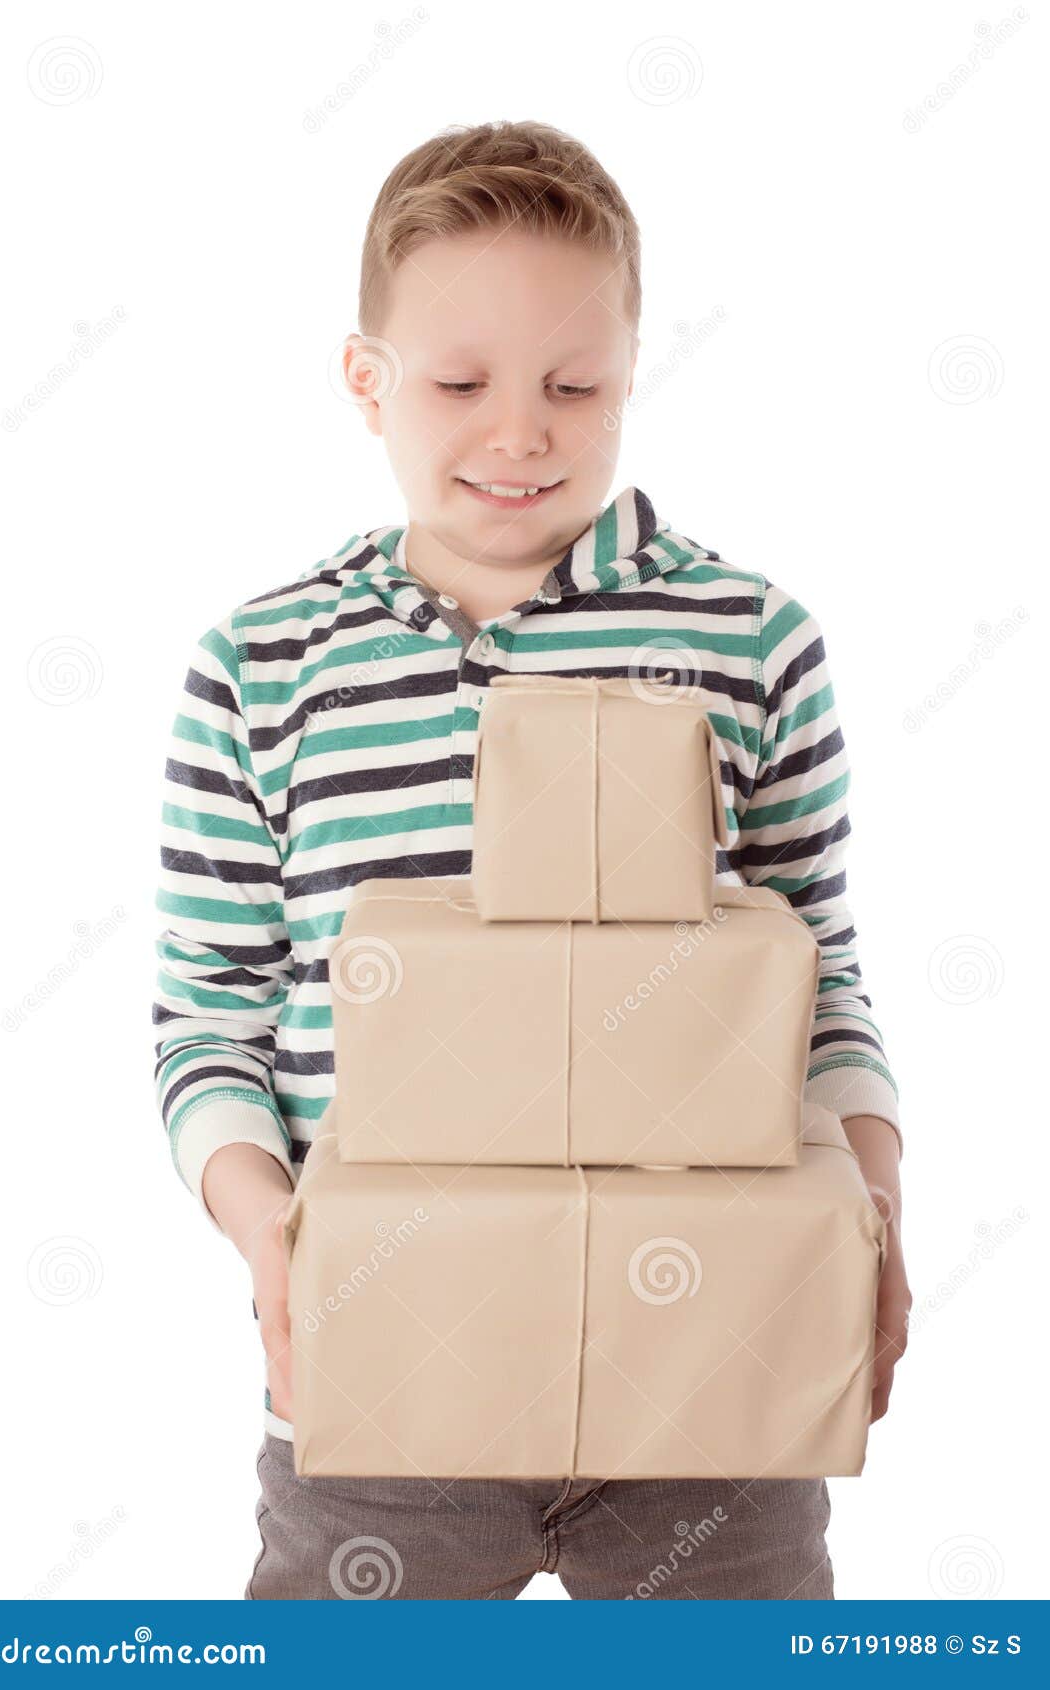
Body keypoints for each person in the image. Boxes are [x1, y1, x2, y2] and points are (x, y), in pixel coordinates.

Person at [151, 119, 910, 1600]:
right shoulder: (260, 663)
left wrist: (873, 1207)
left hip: (709, 1382)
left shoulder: (749, 641)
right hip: (382, 1390)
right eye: (458, 382)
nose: (520, 432)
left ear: (633, 372)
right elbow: (206, 1015)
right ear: (365, 380)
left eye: (574, 385)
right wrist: (273, 1243)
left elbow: (820, 979)